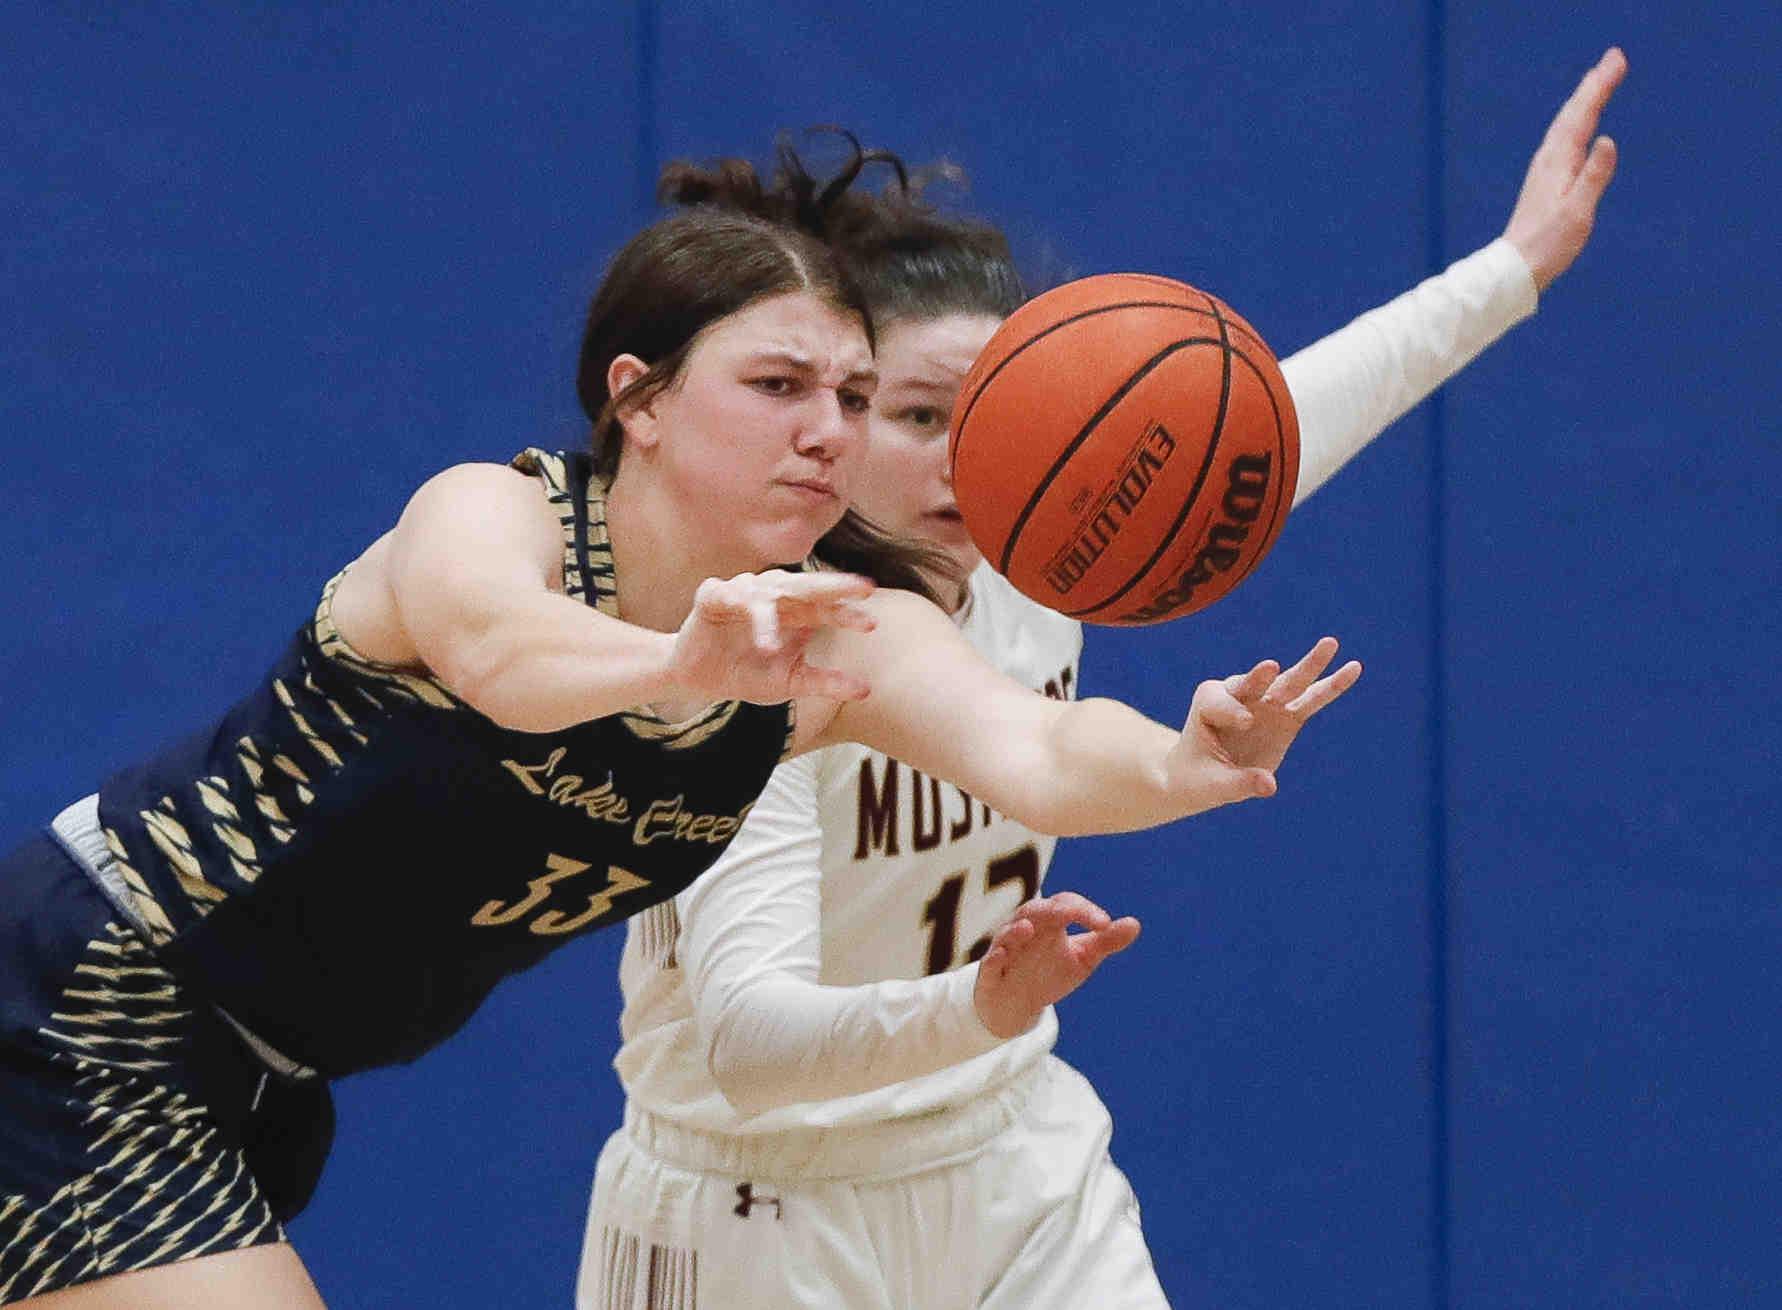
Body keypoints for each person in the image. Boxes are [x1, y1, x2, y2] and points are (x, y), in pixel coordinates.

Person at [0, 184, 1363, 1305]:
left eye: (848, 395)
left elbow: (1039, 749)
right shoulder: (492, 517)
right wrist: (676, 665)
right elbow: (500, 657)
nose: (824, 432)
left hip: (277, 1070)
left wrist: (1189, 763)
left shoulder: (834, 629)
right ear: (637, 398)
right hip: (94, 999)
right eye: (777, 385)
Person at [576, 47, 1626, 1309]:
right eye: (916, 417)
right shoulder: (768, 650)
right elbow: (749, 1048)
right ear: (837, 418)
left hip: (1012, 1153)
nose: (969, 464)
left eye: (995, 419)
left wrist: (1512, 268)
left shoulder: (1035, 551)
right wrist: (978, 1001)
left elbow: (1274, 423)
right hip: (757, 1205)